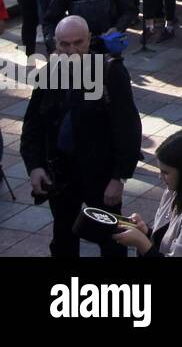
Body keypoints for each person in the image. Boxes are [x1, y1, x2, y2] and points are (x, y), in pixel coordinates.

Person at [21, 16, 143, 258]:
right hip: (62, 172)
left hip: (100, 172)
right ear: (56, 44)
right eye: (65, 45)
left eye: (78, 43)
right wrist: (35, 166)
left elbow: (128, 128)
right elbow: (33, 124)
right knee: (63, 237)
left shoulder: (110, 72)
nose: (72, 50)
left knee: (112, 238)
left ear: (89, 39)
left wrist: (119, 177)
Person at [112, 129, 182, 257]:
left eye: (165, 172)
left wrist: (141, 243)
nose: (160, 177)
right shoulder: (177, 189)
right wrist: (146, 232)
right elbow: (168, 242)